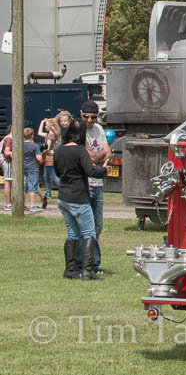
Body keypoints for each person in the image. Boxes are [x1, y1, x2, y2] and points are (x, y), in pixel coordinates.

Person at [54, 120, 108, 279]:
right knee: (89, 233)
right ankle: (87, 270)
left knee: (72, 233)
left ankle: (70, 270)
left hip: (63, 197)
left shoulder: (59, 150)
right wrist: (104, 170)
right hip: (79, 196)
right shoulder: (80, 150)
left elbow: (57, 173)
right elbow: (90, 171)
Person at [78, 102, 111, 275]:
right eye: (87, 117)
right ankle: (83, 264)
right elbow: (88, 156)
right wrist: (99, 158)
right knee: (85, 227)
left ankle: (95, 264)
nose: (90, 120)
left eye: (93, 117)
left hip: (98, 184)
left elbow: (108, 152)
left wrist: (96, 157)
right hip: (86, 183)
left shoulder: (98, 129)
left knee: (97, 227)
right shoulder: (78, 131)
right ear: (81, 114)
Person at [21, 127, 43, 212]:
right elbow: (38, 158)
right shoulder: (34, 146)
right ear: (32, 136)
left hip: (23, 168)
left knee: (23, 187)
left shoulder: (21, 145)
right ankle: (32, 205)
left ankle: (22, 204)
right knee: (32, 187)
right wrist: (41, 155)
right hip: (33, 168)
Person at [2, 125, 13, 210]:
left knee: (10, 181)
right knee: (8, 181)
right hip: (7, 161)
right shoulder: (9, 138)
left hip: (9, 161)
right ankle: (8, 204)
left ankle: (11, 202)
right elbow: (7, 152)